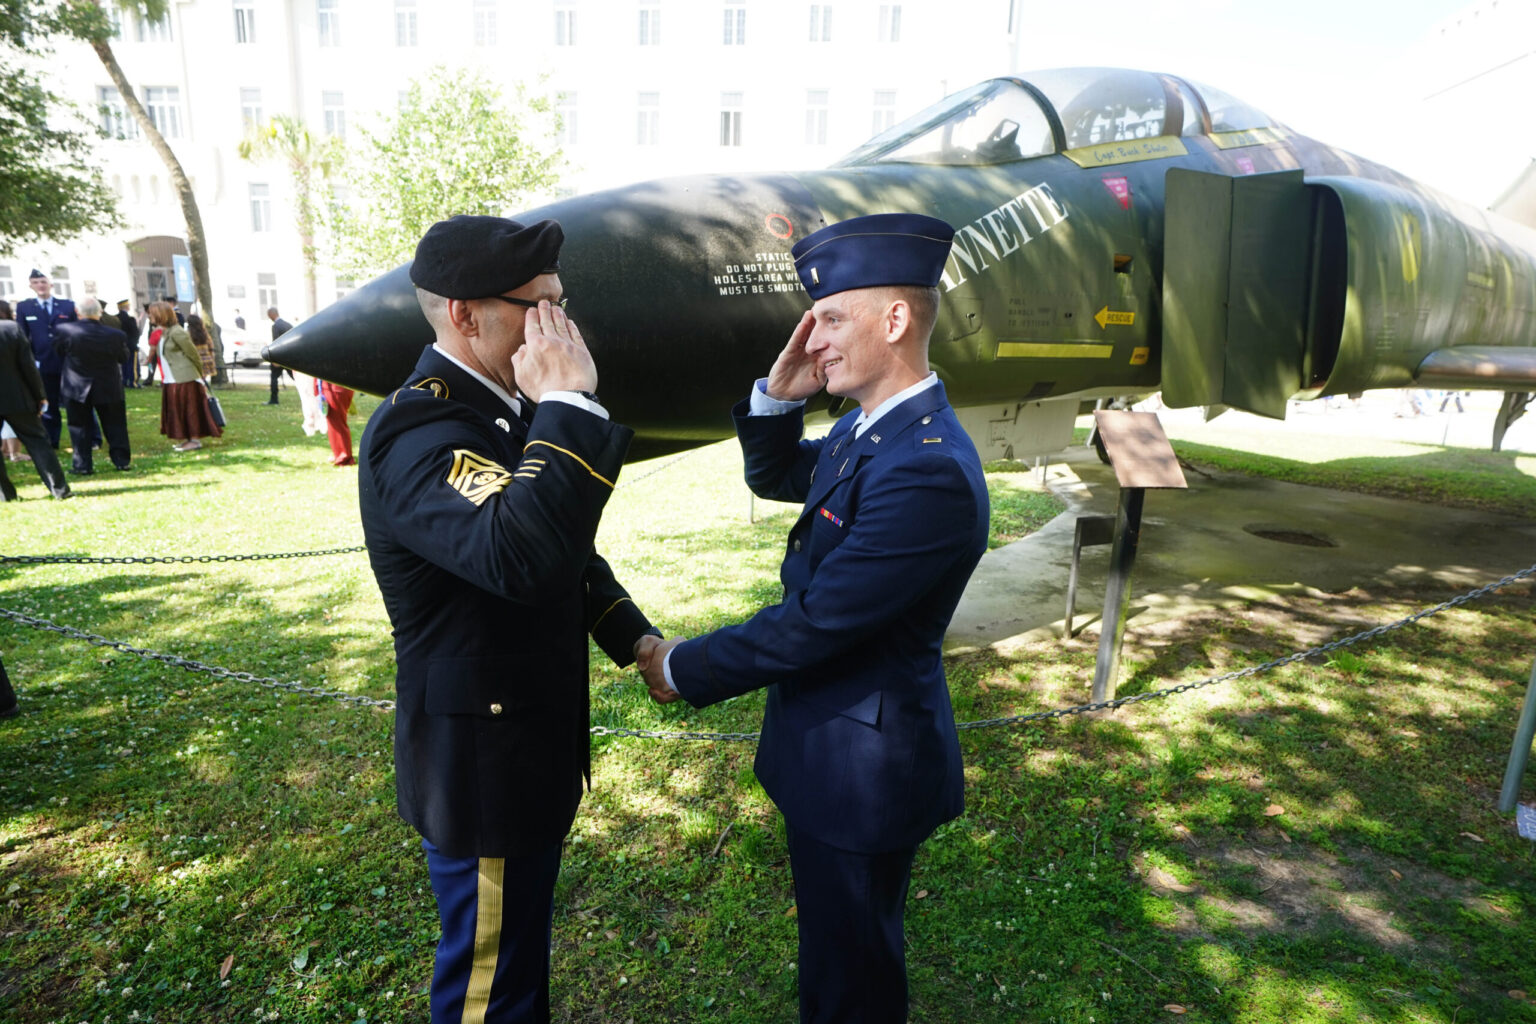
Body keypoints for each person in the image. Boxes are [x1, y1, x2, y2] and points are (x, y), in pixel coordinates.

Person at [640, 213, 989, 1024]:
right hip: (831, 748)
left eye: (831, 318)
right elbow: (776, 477)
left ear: (894, 321)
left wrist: (683, 665)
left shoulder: (926, 469)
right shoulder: (871, 433)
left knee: (852, 982)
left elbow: (815, 623)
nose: (813, 336)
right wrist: (776, 395)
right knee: (837, 956)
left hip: (865, 769)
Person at [358, 215, 661, 1023]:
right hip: (483, 766)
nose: (560, 326)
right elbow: (519, 553)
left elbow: (563, 549)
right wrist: (566, 400)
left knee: (516, 969)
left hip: (523, 745)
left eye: (561, 303)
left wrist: (632, 638)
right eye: (539, 307)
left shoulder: (502, 406)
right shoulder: (423, 429)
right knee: (488, 990)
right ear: (464, 313)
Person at [0, 299, 71, 500]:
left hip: (16, 397)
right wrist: (40, 395)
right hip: (17, 398)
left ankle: (5, 494)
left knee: (38, 442)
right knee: (38, 443)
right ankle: (59, 489)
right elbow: (28, 366)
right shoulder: (11, 329)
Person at [54, 298, 131, 474]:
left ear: (77, 312)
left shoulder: (65, 331)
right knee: (115, 424)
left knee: (79, 426)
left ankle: (82, 465)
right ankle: (121, 461)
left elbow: (58, 351)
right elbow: (123, 358)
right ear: (100, 312)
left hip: (76, 385)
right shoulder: (115, 335)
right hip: (107, 384)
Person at [14, 269, 77, 448]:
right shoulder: (25, 307)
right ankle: (52, 440)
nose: (40, 285)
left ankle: (90, 438)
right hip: (42, 363)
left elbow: (75, 332)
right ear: (31, 286)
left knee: (76, 402)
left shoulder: (66, 305)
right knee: (48, 404)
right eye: (36, 282)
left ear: (51, 284)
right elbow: (22, 336)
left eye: (43, 281)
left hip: (67, 362)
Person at [149, 301, 221, 452]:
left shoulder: (177, 332)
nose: (150, 316)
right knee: (178, 410)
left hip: (185, 378)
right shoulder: (166, 332)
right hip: (173, 378)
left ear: (161, 315)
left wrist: (199, 374)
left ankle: (194, 440)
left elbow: (193, 354)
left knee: (190, 409)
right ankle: (187, 438)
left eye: (152, 313)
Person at [319, 377, 356, 466]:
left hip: (336, 388)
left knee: (337, 423)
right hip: (330, 387)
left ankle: (344, 457)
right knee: (333, 422)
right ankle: (338, 453)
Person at [266, 306, 293, 404]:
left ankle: (274, 399)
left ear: (272, 314)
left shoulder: (276, 326)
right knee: (295, 376)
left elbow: (276, 343)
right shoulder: (288, 325)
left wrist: (274, 359)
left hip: (280, 358)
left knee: (274, 377)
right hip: (289, 357)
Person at [116, 300, 140, 387]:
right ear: (127, 307)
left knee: (124, 365)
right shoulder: (130, 319)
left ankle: (124, 381)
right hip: (130, 345)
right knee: (133, 366)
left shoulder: (116, 318)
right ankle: (133, 383)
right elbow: (135, 332)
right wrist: (135, 342)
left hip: (120, 345)